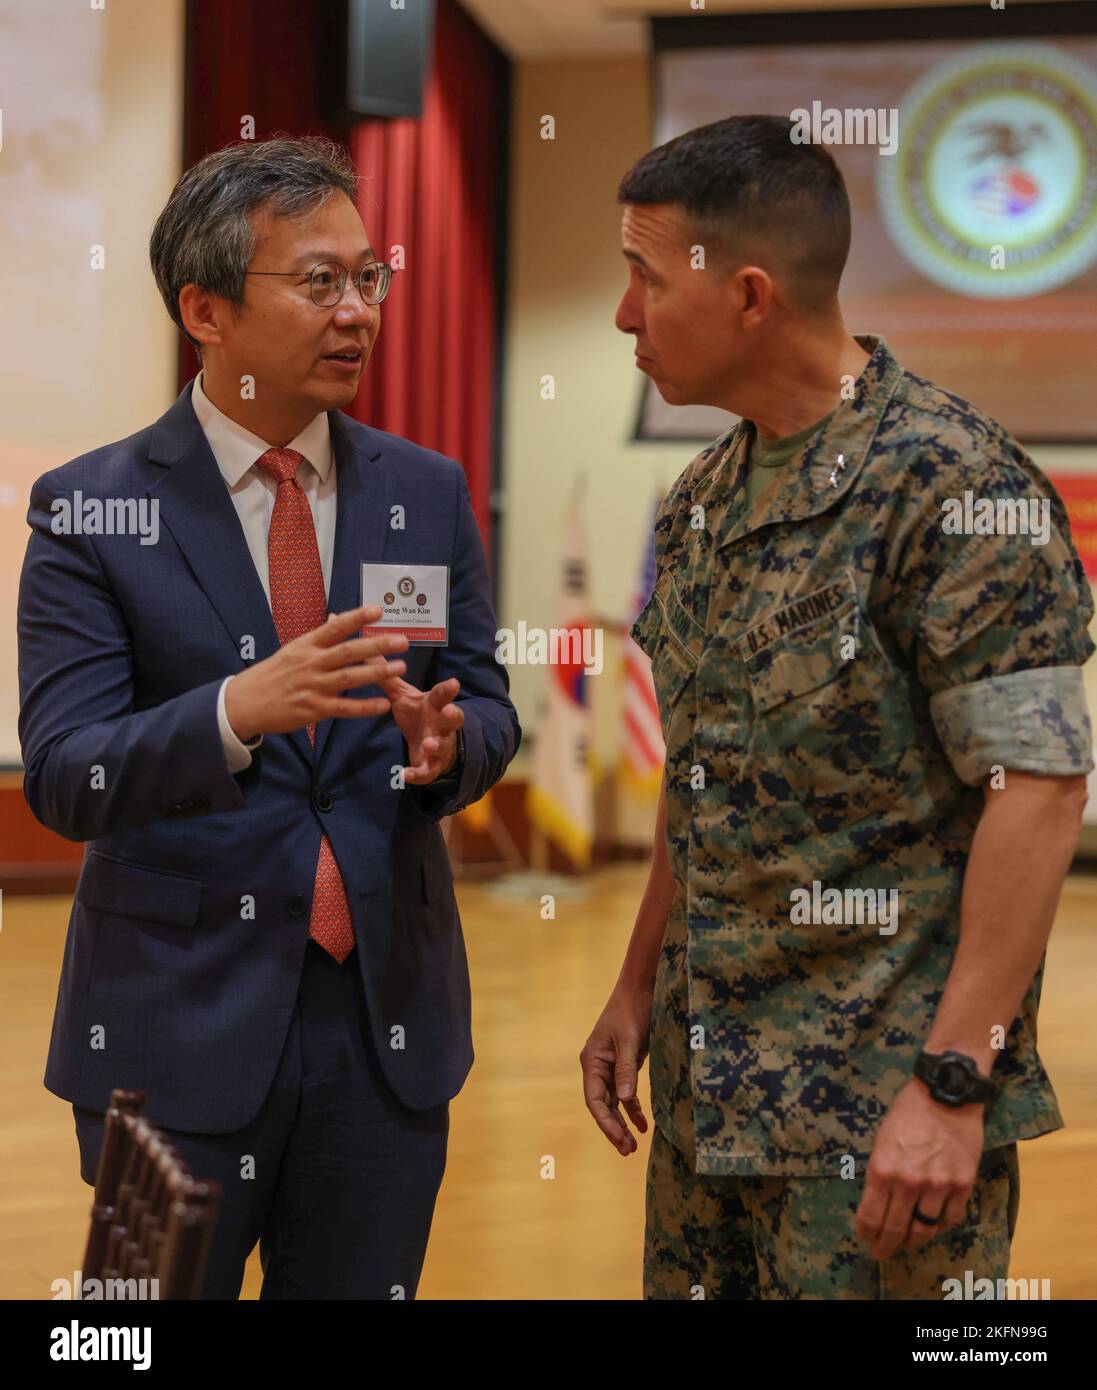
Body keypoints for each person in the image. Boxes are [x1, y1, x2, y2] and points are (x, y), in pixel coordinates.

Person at [580, 115, 1093, 1299]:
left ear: (749, 294)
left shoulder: (952, 484)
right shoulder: (700, 501)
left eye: (643, 279)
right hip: (708, 1101)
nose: (621, 315)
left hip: (878, 1128)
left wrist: (952, 1083)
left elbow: (1040, 792)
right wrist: (631, 985)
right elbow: (697, 776)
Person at [18, 136, 520, 1300]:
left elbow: (484, 702)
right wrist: (238, 710)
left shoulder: (422, 491)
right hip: (170, 1037)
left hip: (385, 1031)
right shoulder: (94, 509)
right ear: (206, 309)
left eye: (368, 279)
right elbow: (63, 773)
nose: (356, 313)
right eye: (317, 283)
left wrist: (447, 752)